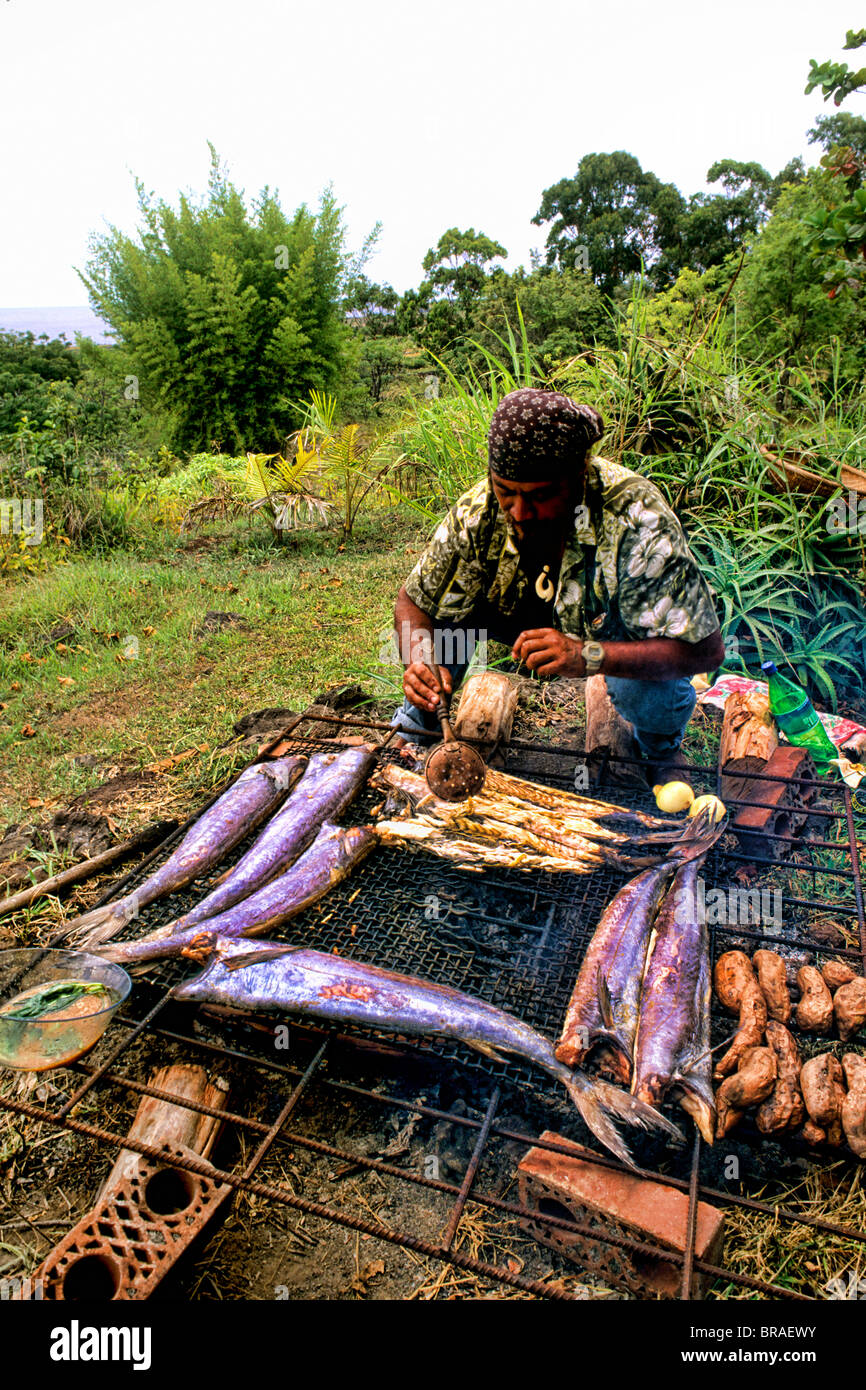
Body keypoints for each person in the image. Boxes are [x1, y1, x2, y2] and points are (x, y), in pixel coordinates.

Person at [391, 388, 725, 786]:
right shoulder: (478, 512)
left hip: (604, 630)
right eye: (505, 491)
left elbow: (704, 650)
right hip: (510, 613)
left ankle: (660, 744)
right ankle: (424, 721)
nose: (518, 512)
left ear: (578, 476)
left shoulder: (636, 517)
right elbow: (413, 603)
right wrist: (419, 659)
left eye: (539, 496)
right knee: (442, 627)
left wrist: (589, 656)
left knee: (647, 688)